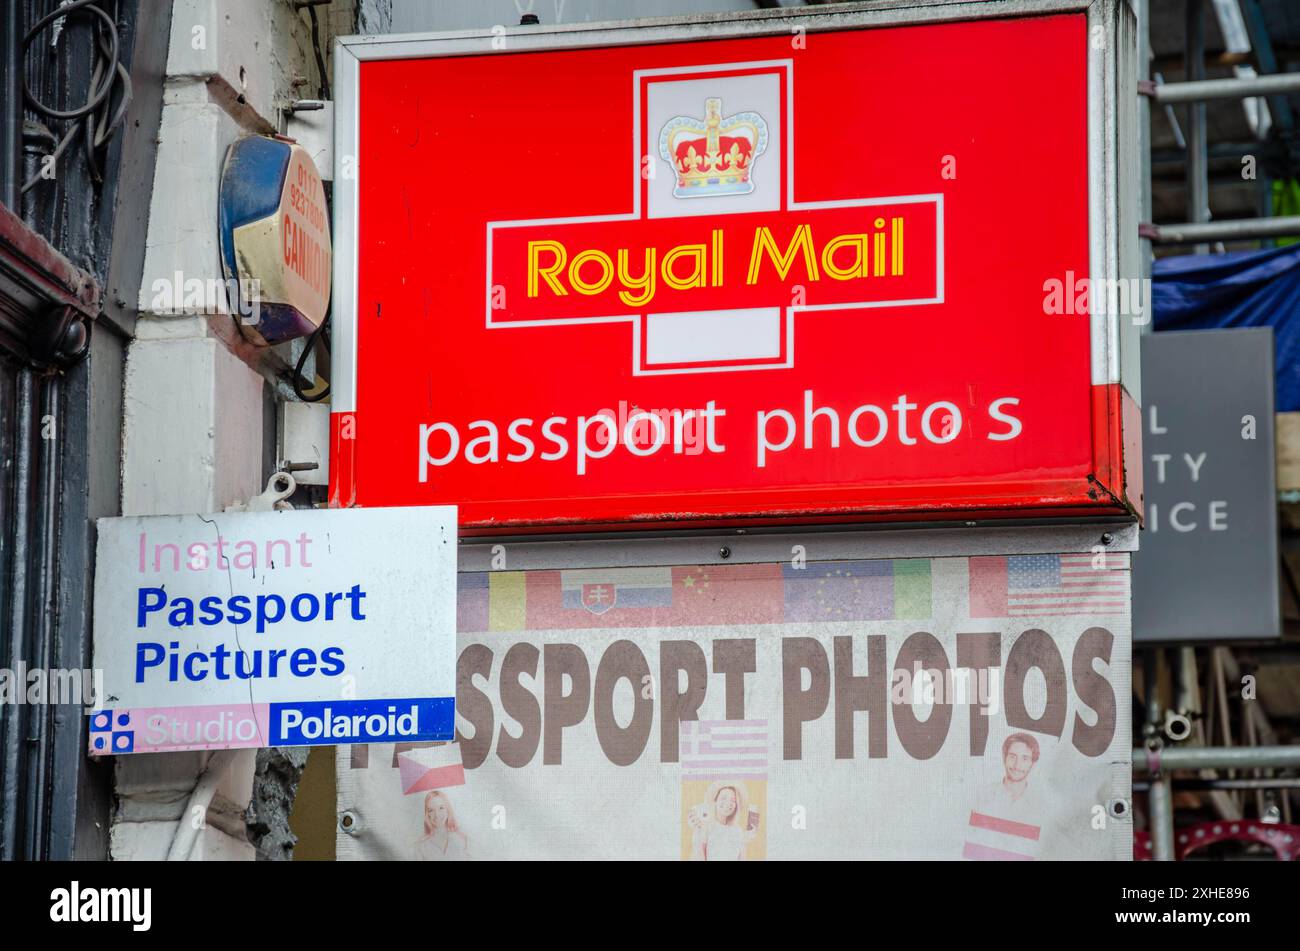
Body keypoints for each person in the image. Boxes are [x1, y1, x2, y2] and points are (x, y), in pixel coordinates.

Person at [688, 780, 759, 861]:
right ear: (715, 801)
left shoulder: (738, 830)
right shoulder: (705, 826)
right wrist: (698, 832)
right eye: (723, 798)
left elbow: (742, 858)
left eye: (733, 800)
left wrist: (744, 841)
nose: (728, 803)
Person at [412, 789, 470, 860]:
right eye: (431, 810)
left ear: (447, 809)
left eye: (441, 808)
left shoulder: (461, 839)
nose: (437, 815)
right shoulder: (420, 846)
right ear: (428, 815)